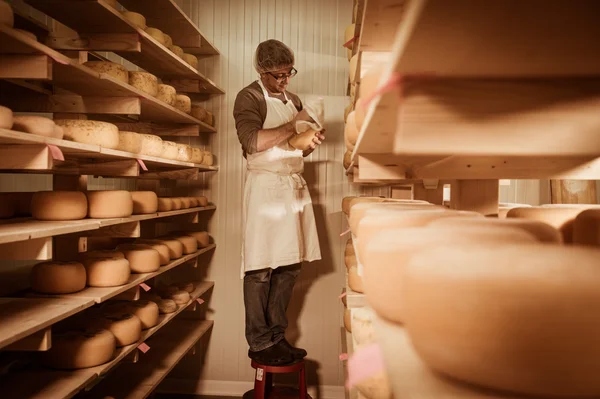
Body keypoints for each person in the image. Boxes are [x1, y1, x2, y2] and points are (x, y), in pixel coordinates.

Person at [233, 39, 324, 366]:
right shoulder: (249, 97)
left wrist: (310, 139)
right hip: (265, 188)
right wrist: (293, 123)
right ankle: (258, 342)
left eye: (288, 74)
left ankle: (276, 337)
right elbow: (253, 141)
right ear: (261, 71)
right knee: (260, 269)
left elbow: (296, 148)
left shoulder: (292, 99)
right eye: (277, 76)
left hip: (291, 188)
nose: (285, 81)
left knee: (288, 265)